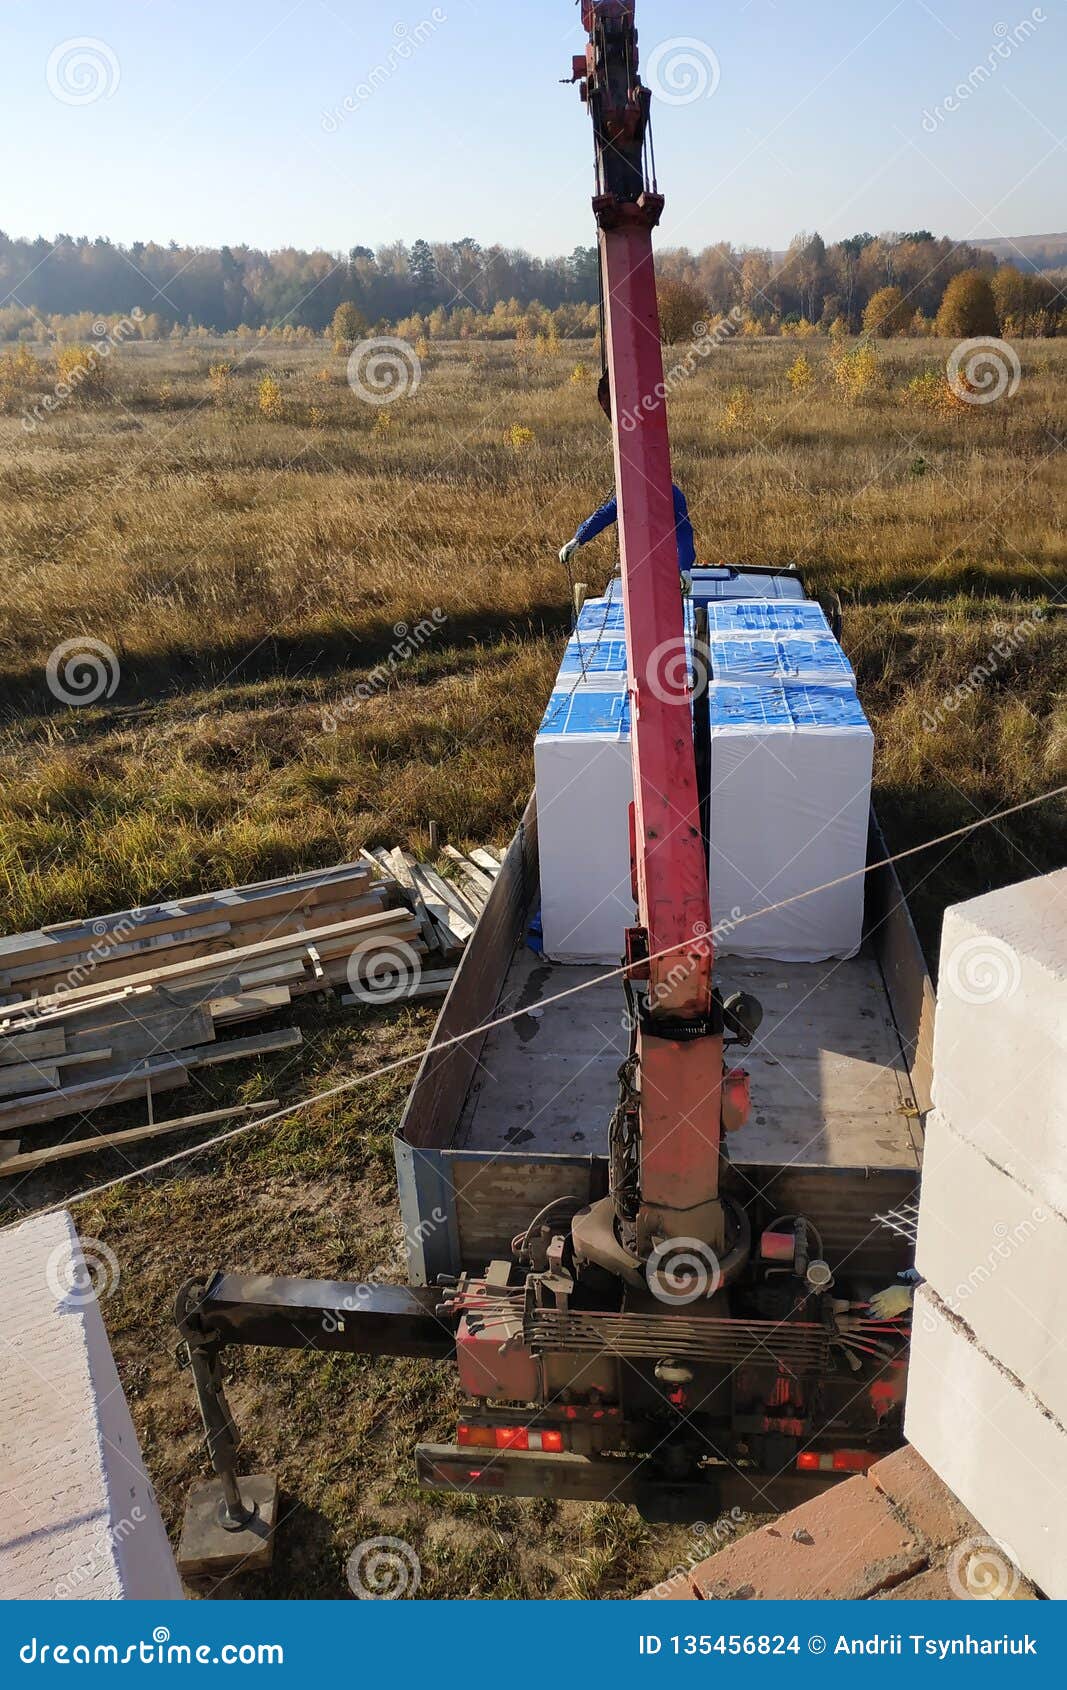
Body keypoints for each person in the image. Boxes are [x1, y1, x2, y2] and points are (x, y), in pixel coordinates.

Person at [559, 484, 696, 592]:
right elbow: (603, 516)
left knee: (670, 613)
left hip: (666, 568)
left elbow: (684, 531)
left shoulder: (672, 493)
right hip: (636, 568)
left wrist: (685, 568)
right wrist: (577, 539)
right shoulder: (628, 492)